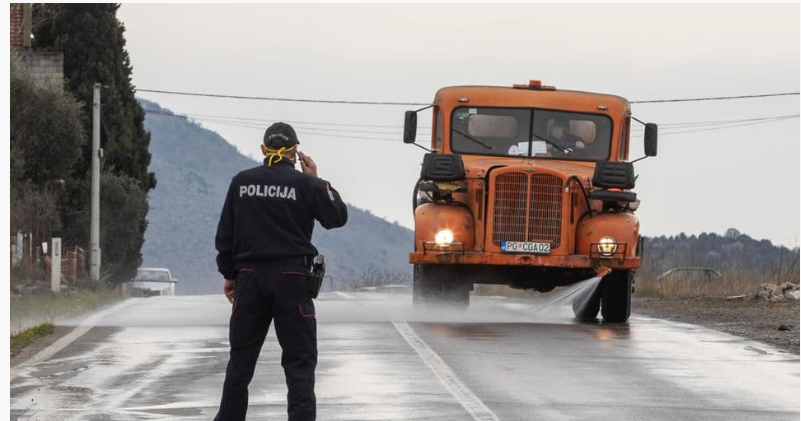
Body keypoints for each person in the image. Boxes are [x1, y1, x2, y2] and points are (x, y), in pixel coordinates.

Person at [214, 122, 348, 421]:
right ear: (295, 151)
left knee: (240, 363)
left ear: (264, 150)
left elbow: (225, 236)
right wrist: (317, 179)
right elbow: (337, 217)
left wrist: (230, 274)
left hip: (250, 279)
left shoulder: (242, 182)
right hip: (293, 281)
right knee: (299, 366)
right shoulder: (307, 185)